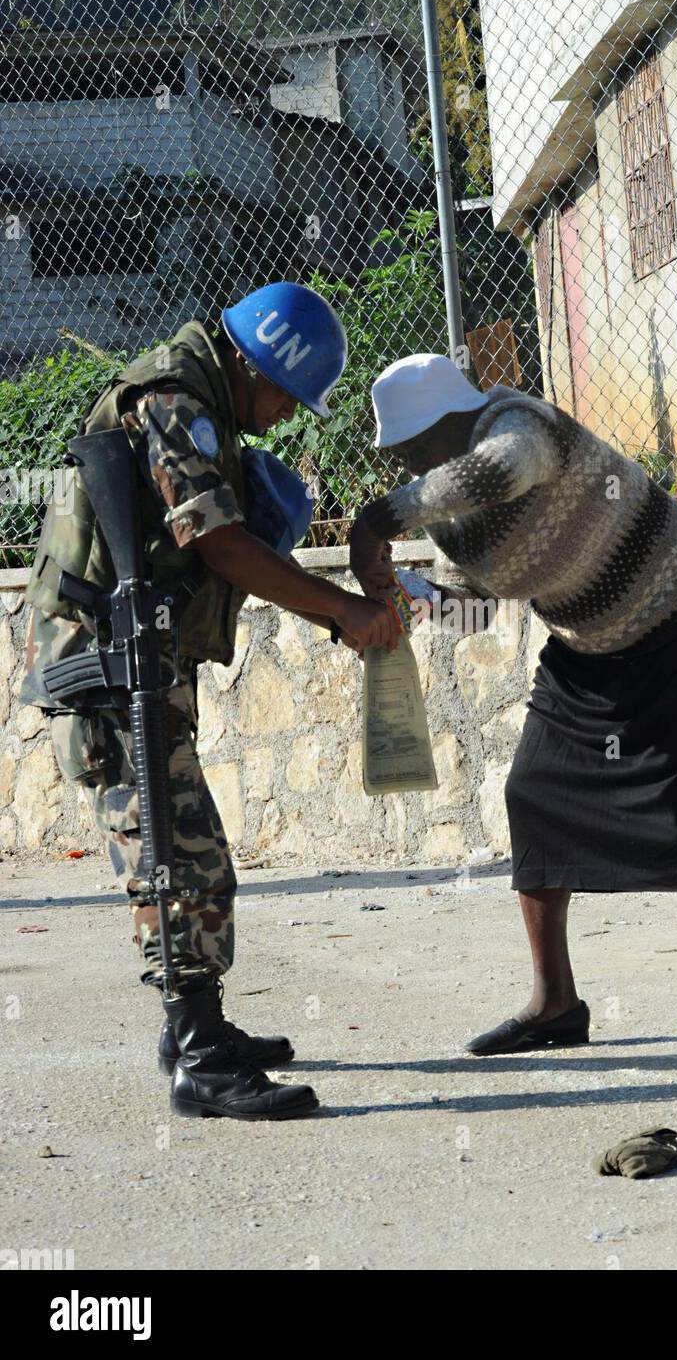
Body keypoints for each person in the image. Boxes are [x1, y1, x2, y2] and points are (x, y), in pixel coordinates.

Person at [349, 353, 677, 1068]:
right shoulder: (446, 514)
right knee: (533, 793)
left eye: (410, 445)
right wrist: (404, 603)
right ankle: (555, 1003)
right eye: (397, 454)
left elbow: (504, 470)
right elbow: (483, 604)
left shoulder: (519, 424)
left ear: (450, 419)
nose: (404, 462)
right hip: (587, 652)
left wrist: (381, 519)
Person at [20, 283, 400, 1121]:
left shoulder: (200, 402)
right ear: (254, 366)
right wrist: (341, 608)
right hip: (103, 659)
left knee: (185, 845)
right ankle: (197, 1062)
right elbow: (219, 542)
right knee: (178, 855)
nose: (281, 416)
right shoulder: (173, 401)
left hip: (137, 650)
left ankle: (195, 1029)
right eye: (283, 396)